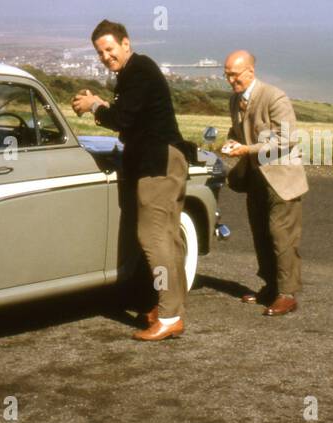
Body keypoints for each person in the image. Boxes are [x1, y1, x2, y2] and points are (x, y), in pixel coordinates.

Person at [71, 20, 192, 342]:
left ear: (126, 43)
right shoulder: (135, 73)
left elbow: (122, 119)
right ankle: (171, 309)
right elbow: (131, 114)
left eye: (109, 49)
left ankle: (168, 316)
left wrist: (93, 106)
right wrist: (102, 103)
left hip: (156, 163)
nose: (106, 56)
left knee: (153, 238)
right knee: (169, 239)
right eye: (100, 53)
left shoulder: (137, 70)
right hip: (168, 160)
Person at [220, 50, 307, 316]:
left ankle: (286, 294)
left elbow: (286, 139)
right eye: (227, 76)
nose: (231, 81)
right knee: (261, 234)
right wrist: (232, 142)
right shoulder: (235, 101)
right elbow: (238, 132)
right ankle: (271, 286)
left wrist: (246, 150)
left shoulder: (274, 96)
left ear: (250, 71)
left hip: (282, 180)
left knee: (281, 236)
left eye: (234, 75)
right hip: (256, 178)